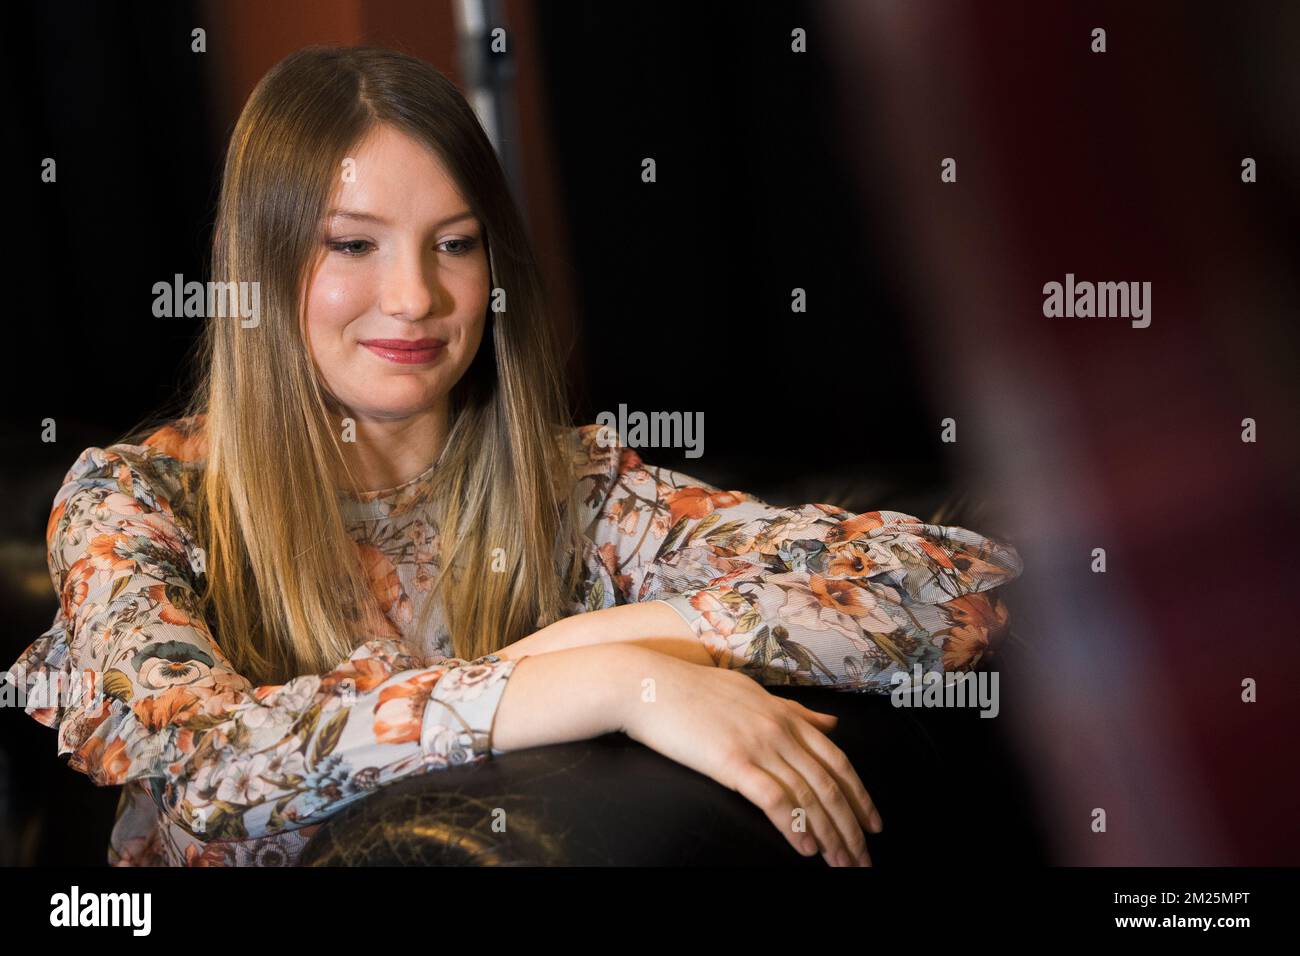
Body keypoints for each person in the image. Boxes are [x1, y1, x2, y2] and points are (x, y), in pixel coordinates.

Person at [2, 45, 1023, 868]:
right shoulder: (136, 502)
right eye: (353, 244)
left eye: (454, 242)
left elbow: (965, 585)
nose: (414, 297)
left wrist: (621, 636)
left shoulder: (570, 484)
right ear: (261, 264)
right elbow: (212, 757)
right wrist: (616, 686)